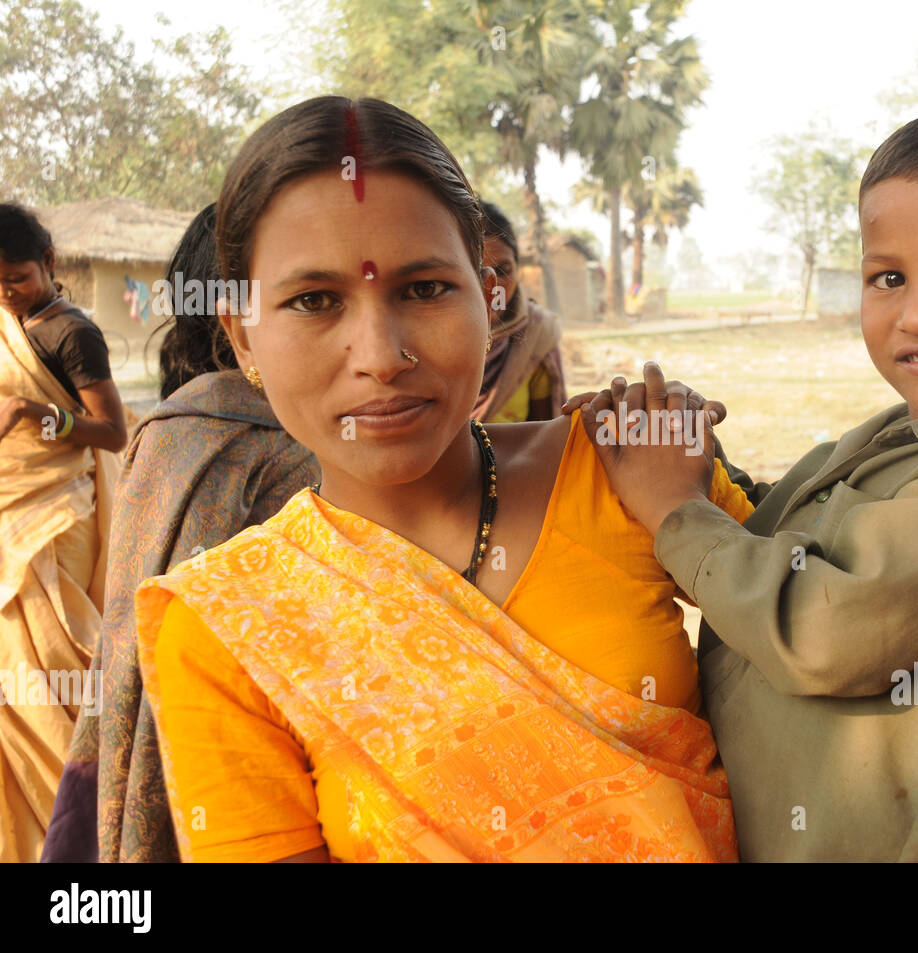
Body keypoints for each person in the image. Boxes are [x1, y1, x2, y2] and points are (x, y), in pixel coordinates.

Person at [134, 97, 747, 862]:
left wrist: (685, 507)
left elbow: (836, 650)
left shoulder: (626, 469)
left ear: (490, 301)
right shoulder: (230, 625)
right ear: (243, 337)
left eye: (423, 289)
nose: (381, 354)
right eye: (315, 301)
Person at [568, 104, 918, 861]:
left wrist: (674, 507)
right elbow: (765, 550)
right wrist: (688, 459)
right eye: (888, 277)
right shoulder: (877, 443)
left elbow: (827, 631)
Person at [40, 204, 318, 863]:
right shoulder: (194, 436)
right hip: (230, 768)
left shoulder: (364, 435)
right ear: (238, 322)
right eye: (313, 298)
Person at [0, 203, 127, 861]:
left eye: (17, 278)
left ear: (48, 263)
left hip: (57, 517)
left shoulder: (72, 333)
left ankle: (79, 827)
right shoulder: (6, 326)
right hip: (7, 511)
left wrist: (33, 413)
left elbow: (112, 431)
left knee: (55, 665)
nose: (7, 293)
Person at [473, 202, 566, 422]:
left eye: (503, 272)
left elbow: (541, 435)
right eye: (477, 273)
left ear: (517, 269)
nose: (492, 289)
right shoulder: (423, 339)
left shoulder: (537, 334)